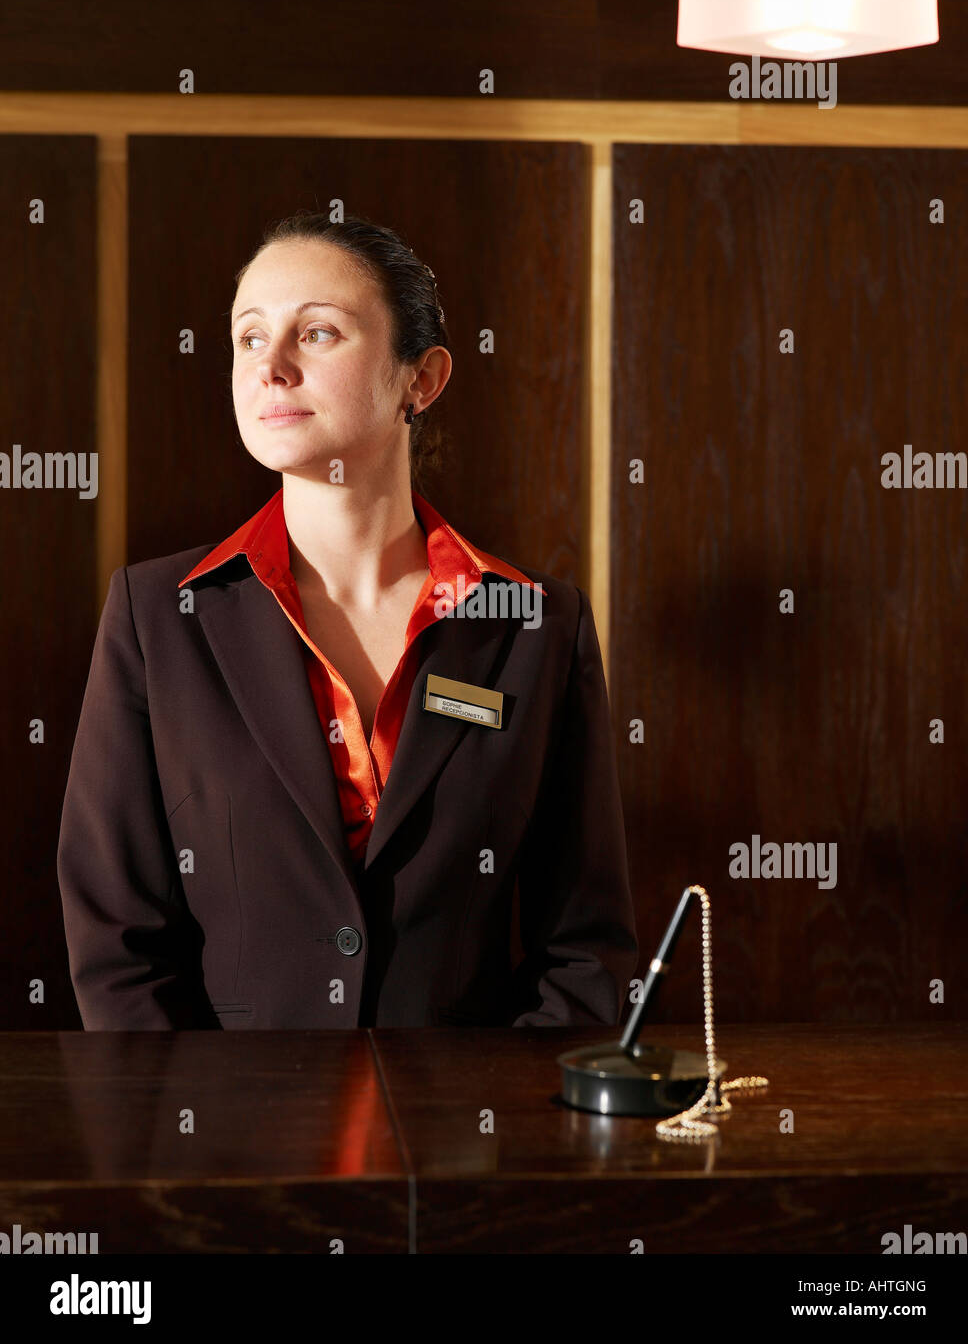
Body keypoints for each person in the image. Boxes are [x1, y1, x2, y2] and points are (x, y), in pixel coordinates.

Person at [56, 210, 639, 1030]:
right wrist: (190, 1139)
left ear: (421, 379)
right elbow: (117, 943)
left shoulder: (537, 626)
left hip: (465, 1142)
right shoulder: (156, 616)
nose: (273, 368)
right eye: (250, 338)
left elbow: (585, 950)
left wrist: (509, 1134)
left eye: (319, 333)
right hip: (226, 1144)